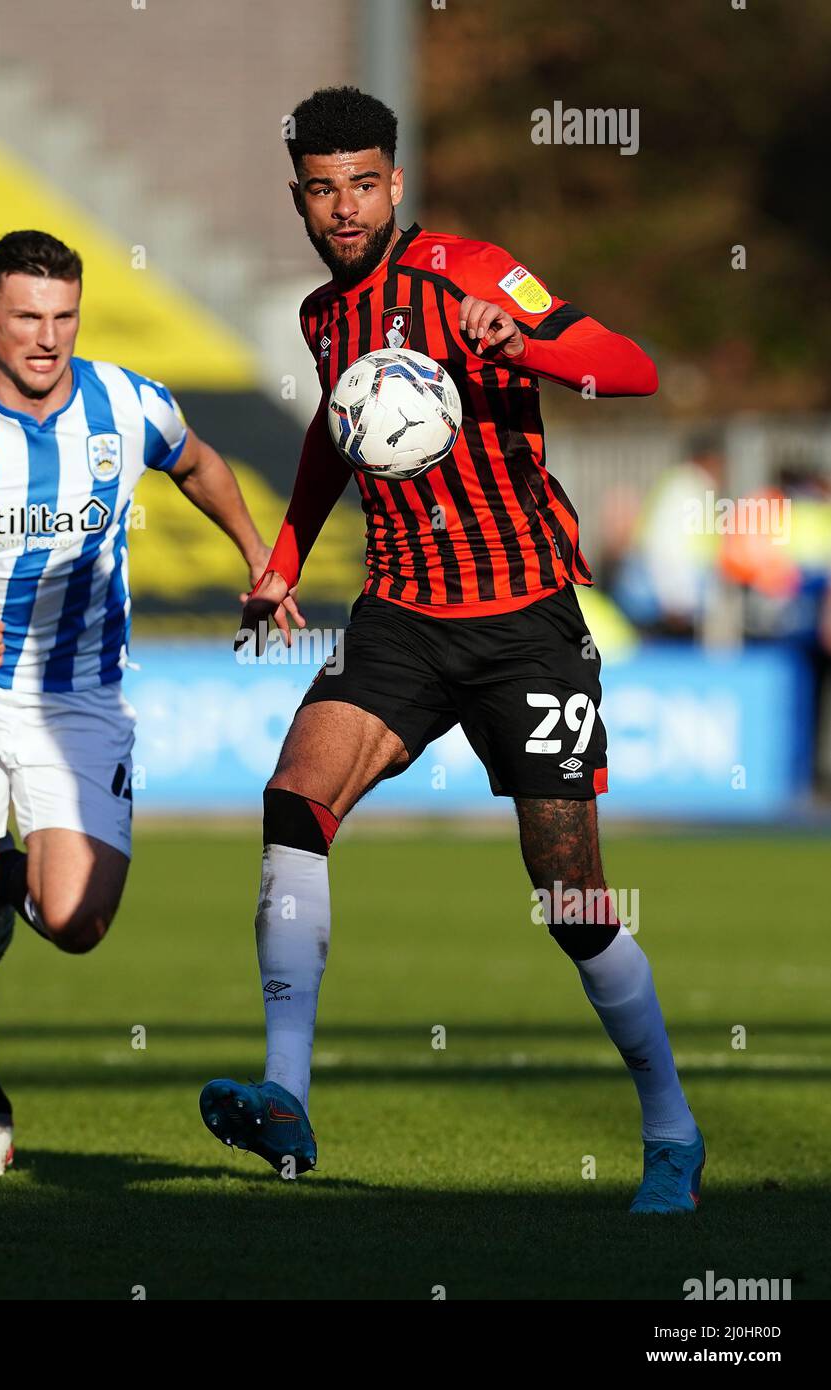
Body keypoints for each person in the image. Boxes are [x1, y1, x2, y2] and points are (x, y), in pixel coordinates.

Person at [199, 88, 704, 1214]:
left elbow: (630, 365)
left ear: (397, 181)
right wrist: (283, 556)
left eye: (364, 183)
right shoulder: (322, 317)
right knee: (294, 798)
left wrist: (524, 343)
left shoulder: (472, 271)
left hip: (527, 623)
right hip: (402, 615)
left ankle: (670, 1127)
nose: (344, 207)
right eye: (323, 189)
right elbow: (338, 447)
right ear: (299, 196)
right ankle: (285, 1093)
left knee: (570, 895)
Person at [0, 229, 272, 1177]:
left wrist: (261, 557)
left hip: (80, 695)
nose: (46, 340)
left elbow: (203, 464)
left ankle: (5, 880)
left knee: (79, 924)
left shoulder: (128, 403)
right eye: (25, 319)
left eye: (63, 318)